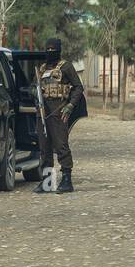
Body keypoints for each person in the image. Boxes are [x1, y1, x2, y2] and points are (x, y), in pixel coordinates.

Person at [33, 37, 87, 194]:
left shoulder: (66, 67)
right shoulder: (41, 69)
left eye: (53, 50)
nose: (50, 53)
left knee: (61, 146)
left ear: (59, 51)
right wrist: (34, 92)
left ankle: (67, 181)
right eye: (48, 50)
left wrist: (70, 105)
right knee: (44, 148)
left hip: (59, 112)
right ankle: (47, 183)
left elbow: (78, 87)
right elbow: (32, 87)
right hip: (43, 114)